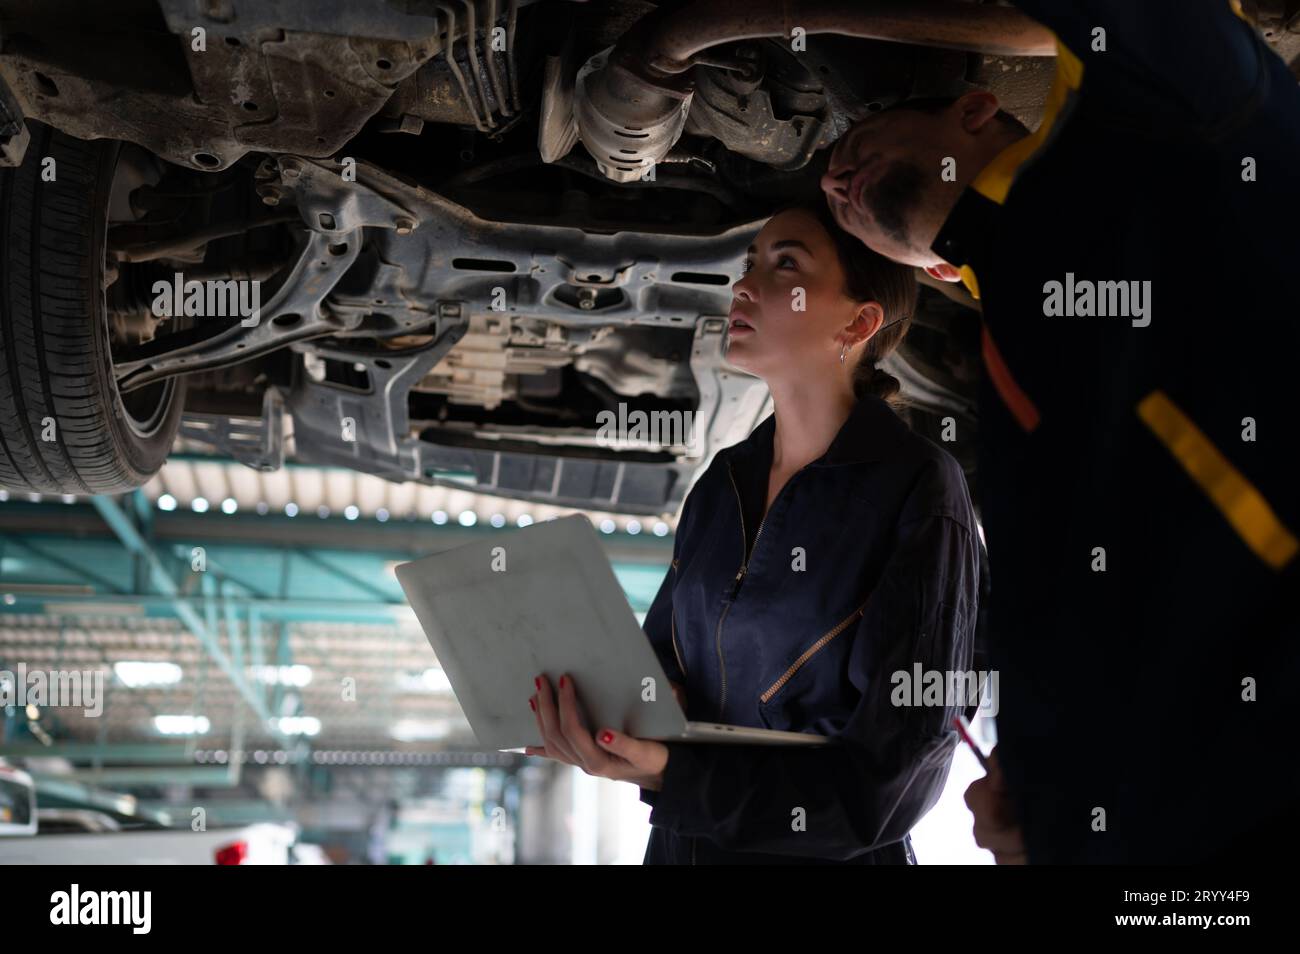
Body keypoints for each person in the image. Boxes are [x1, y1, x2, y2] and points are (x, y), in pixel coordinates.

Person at [821, 0, 1300, 863]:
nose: (833, 178)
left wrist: (1052, 789)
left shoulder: (1137, 142)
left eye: (855, 150)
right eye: (840, 170)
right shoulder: (1165, 137)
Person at [523, 202, 981, 864]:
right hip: (684, 846)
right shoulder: (722, 483)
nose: (743, 285)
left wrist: (670, 774)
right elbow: (664, 658)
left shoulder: (918, 488)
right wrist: (632, 709)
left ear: (858, 322)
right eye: (748, 264)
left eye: (784, 264)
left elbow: (892, 780)